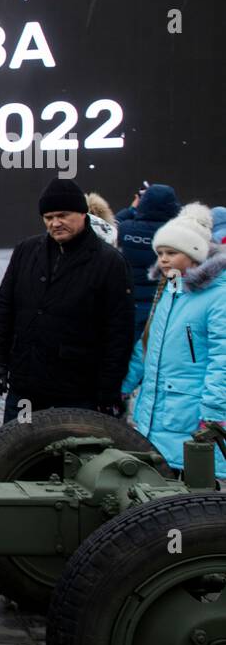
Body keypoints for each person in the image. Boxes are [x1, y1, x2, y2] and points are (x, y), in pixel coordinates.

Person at [0, 179, 134, 424]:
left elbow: (119, 329)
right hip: (26, 388)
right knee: (18, 451)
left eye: (63, 215)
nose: (55, 223)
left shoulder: (109, 261)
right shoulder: (26, 251)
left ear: (82, 213)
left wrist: (109, 386)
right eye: (48, 217)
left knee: (74, 458)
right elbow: (5, 307)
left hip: (78, 390)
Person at [122, 204, 226, 478]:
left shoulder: (218, 297)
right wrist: (124, 385)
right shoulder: (169, 290)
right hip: (157, 416)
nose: (163, 260)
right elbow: (148, 347)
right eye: (160, 253)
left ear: (194, 255)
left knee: (193, 500)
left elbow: (222, 360)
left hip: (194, 421)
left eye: (171, 253)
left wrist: (214, 414)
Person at [117, 183, 181, 335]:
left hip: (129, 304)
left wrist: (133, 208)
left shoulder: (125, 229)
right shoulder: (178, 233)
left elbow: (110, 225)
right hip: (164, 305)